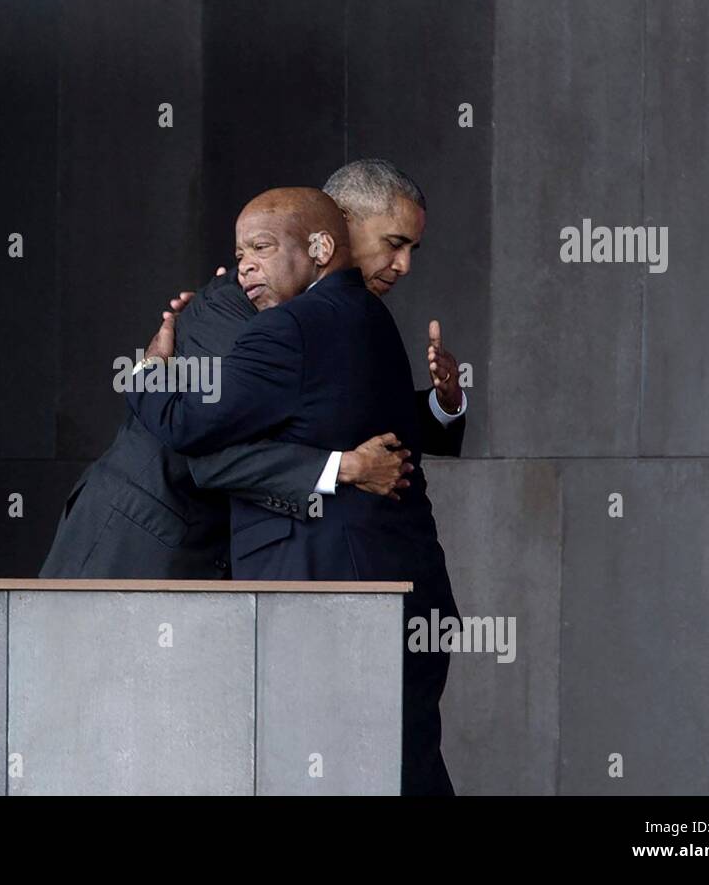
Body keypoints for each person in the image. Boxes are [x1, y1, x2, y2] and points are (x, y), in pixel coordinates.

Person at [126, 185, 461, 795]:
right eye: (392, 243)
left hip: (330, 588)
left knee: (347, 770)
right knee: (397, 768)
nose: (246, 265)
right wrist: (342, 465)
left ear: (323, 242)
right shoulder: (358, 315)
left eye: (259, 248)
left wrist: (148, 370)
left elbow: (192, 430)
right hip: (391, 585)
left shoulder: (293, 324)